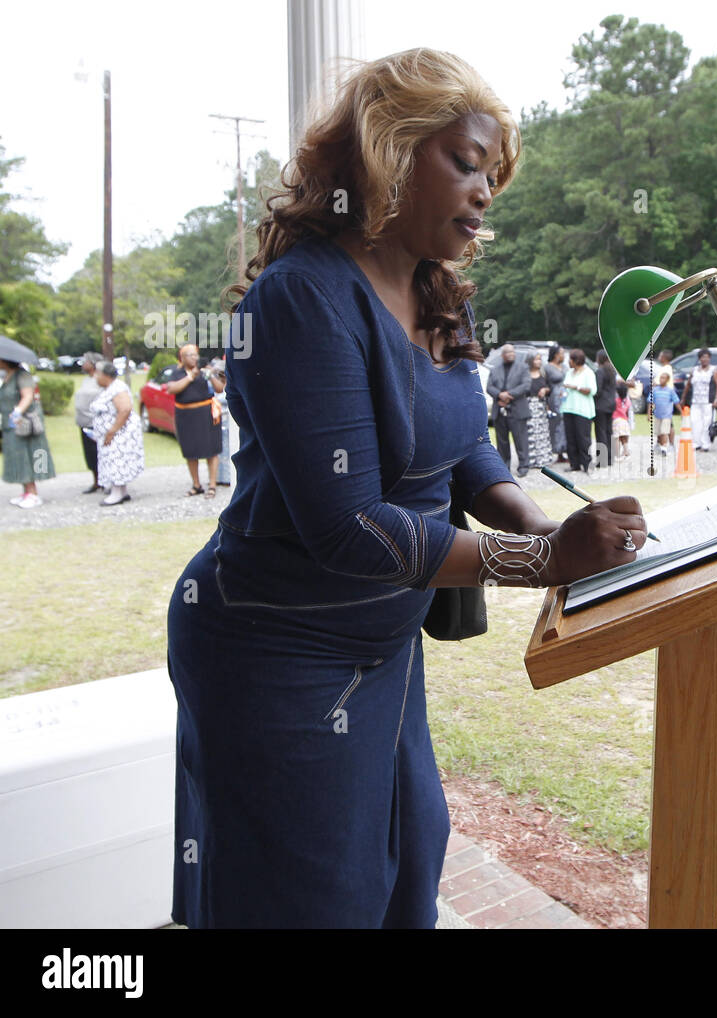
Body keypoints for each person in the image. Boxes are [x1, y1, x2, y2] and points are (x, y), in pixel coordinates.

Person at [165, 48, 650, 930]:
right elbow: (351, 529)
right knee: (312, 901)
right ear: (390, 150)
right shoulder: (300, 299)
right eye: (466, 163)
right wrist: (540, 558)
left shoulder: (436, 294)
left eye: (492, 173)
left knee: (407, 865)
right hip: (279, 654)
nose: (485, 191)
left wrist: (551, 528)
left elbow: (462, 453)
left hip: (383, 654)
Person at [0, 356, 55, 508]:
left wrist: (17, 412)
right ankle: (26, 492)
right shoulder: (6, 377)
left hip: (23, 423)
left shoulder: (22, 375)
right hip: (10, 425)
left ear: (5, 360)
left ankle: (33, 493)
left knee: (26, 455)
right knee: (17, 456)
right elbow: (3, 397)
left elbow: (27, 396)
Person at [166, 342, 221, 497]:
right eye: (190, 355)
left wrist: (209, 373)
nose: (194, 358)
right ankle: (196, 484)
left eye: (196, 354)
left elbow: (219, 388)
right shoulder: (177, 372)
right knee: (190, 451)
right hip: (186, 415)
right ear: (182, 358)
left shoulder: (205, 370)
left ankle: (212, 485)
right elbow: (171, 389)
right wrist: (191, 376)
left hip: (206, 413)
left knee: (212, 449)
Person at [89, 360, 144, 505]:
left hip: (119, 434)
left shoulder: (118, 388)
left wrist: (112, 431)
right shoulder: (108, 388)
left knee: (117, 461)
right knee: (112, 460)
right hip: (112, 434)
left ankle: (117, 493)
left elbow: (125, 409)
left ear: (105, 375)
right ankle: (121, 491)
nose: (95, 377)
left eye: (98, 374)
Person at [486, 343, 532, 476]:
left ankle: (523, 466)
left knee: (520, 440)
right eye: (507, 352)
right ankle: (504, 467)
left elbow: (526, 385)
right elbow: (489, 387)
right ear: (502, 355)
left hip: (517, 409)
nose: (511, 354)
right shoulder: (495, 369)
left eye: (512, 352)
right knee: (502, 441)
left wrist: (509, 395)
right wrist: (499, 395)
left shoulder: (522, 367)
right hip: (500, 410)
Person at [561, 348, 597, 472]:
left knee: (583, 438)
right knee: (570, 438)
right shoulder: (569, 373)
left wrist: (575, 387)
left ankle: (586, 464)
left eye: (570, 359)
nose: (568, 362)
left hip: (582, 410)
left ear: (576, 360)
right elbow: (565, 386)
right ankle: (574, 464)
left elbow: (592, 390)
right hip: (568, 408)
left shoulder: (588, 372)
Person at [75, 351, 103, 493]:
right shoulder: (86, 380)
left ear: (93, 364)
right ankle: (96, 481)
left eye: (85, 361)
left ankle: (105, 481)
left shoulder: (100, 380)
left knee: (98, 452)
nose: (83, 364)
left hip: (96, 423)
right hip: (84, 422)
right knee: (89, 454)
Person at [682, 348, 717, 451]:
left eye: (707, 357)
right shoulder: (694, 370)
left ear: (710, 358)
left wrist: (716, 399)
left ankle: (705, 444)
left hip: (708, 402)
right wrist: (683, 398)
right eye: (703, 357)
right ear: (699, 359)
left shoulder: (713, 370)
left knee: (706, 424)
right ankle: (696, 443)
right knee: (695, 422)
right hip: (696, 401)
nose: (704, 359)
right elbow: (688, 385)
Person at [526, 352, 554, 469]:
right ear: (530, 361)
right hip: (528, 406)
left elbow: (550, 388)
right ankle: (531, 460)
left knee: (542, 434)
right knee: (530, 434)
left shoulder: (543, 373)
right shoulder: (525, 374)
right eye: (536, 359)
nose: (539, 362)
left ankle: (543, 460)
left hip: (541, 407)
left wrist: (545, 390)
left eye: (540, 359)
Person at [209, 367, 232, 486]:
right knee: (220, 451)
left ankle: (228, 477)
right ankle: (219, 477)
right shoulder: (216, 388)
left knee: (229, 450)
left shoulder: (229, 388)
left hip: (228, 422)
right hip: (218, 420)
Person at [593, 350, 616, 467]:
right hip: (611, 404)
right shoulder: (612, 370)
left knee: (600, 432)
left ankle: (602, 460)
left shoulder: (600, 371)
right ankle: (610, 458)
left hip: (601, 405)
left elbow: (597, 390)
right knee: (608, 431)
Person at [544, 345, 567, 461]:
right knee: (556, 425)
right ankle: (556, 450)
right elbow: (545, 385)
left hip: (566, 398)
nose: (564, 355)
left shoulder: (564, 366)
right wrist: (546, 403)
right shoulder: (547, 368)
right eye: (562, 353)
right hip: (554, 399)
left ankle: (564, 450)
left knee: (565, 425)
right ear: (555, 354)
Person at [649, 368, 678, 455]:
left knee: (665, 430)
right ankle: (659, 444)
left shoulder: (668, 368)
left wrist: (681, 411)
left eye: (663, 378)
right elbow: (650, 401)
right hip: (658, 413)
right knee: (658, 431)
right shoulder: (655, 390)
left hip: (667, 412)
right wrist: (649, 413)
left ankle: (666, 447)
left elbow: (676, 401)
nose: (661, 379)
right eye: (660, 378)